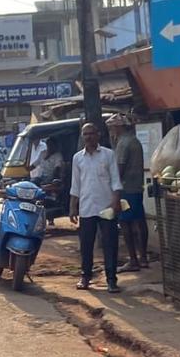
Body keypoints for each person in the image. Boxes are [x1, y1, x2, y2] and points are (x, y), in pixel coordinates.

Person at [70, 123, 123, 293]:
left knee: (110, 244)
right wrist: (73, 207)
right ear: (82, 137)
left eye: (91, 133)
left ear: (98, 135)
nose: (88, 137)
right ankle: (85, 277)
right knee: (86, 244)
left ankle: (111, 280)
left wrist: (115, 201)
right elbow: (75, 185)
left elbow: (115, 180)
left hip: (106, 206)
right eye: (85, 134)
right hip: (86, 207)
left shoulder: (108, 155)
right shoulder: (77, 158)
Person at [108, 114, 148, 271]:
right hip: (136, 187)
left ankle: (133, 259)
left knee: (126, 223)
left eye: (112, 127)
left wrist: (112, 187)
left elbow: (119, 168)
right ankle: (143, 257)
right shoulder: (133, 140)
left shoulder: (124, 143)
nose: (111, 130)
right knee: (139, 220)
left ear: (118, 127)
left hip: (126, 188)